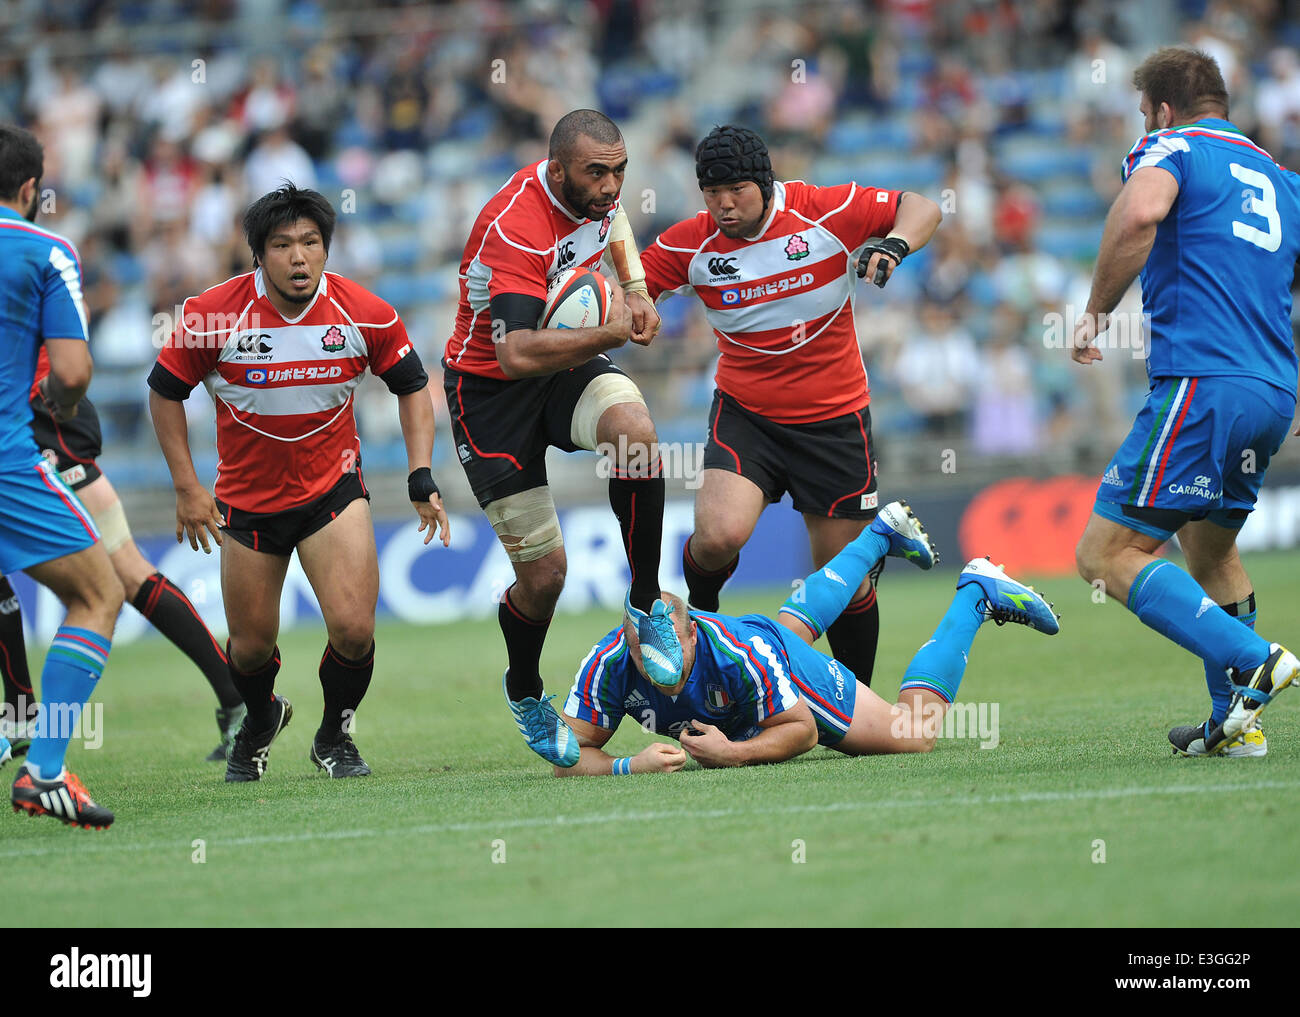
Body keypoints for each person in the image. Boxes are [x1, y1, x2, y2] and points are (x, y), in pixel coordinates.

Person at [148, 183, 449, 782]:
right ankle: (262, 717)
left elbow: (413, 386)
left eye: (310, 242)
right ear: (258, 254)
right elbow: (164, 393)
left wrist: (420, 473)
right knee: (250, 648)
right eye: (282, 244)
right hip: (247, 502)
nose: (298, 257)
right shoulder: (211, 315)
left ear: (326, 250)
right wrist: (187, 486)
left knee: (356, 628)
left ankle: (335, 733)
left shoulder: (364, 311)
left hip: (331, 494)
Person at [638, 125, 942, 690]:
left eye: (736, 190)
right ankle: (704, 630)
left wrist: (893, 244)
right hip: (747, 415)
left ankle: (855, 701)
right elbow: (630, 286)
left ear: (764, 183)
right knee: (717, 536)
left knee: (844, 578)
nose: (723, 204)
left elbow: (921, 207)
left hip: (834, 420)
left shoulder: (824, 211)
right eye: (711, 192)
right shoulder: (691, 243)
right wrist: (635, 309)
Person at [1071, 47, 1300, 757]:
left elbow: (1141, 212)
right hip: (1272, 389)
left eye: (1144, 113)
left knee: (1104, 555)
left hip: (1204, 379)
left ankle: (1253, 656)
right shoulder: (1283, 180)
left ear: (1163, 110)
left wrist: (1096, 311)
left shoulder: (1172, 145)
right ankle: (1236, 725)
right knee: (1210, 547)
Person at [442, 108, 680, 768]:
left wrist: (633, 287)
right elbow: (515, 353)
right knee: (545, 577)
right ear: (556, 172)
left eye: (619, 171)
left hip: (563, 368)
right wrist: (611, 330)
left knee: (634, 429)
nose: (610, 186)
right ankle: (525, 690)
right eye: (596, 173)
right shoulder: (516, 225)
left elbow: (616, 223)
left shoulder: (598, 195)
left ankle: (644, 604)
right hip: (491, 393)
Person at [555, 501, 1059, 775]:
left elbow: (802, 732)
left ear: (693, 632)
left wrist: (734, 753)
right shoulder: (609, 661)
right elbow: (570, 755)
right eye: (645, 660)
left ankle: (977, 592)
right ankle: (880, 534)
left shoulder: (737, 655)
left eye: (673, 655)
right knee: (783, 634)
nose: (656, 670)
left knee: (915, 734)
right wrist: (628, 764)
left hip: (779, 666)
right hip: (762, 649)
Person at [0, 348, 247, 763]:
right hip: (27, 417)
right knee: (121, 575)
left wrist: (55, 396)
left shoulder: (36, 285)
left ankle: (238, 698)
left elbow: (71, 361)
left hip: (39, 417)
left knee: (123, 574)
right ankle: (20, 713)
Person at [0, 124, 124, 828]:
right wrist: (63, 404)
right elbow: (73, 370)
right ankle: (43, 772)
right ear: (29, 191)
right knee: (98, 591)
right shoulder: (45, 249)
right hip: (7, 461)